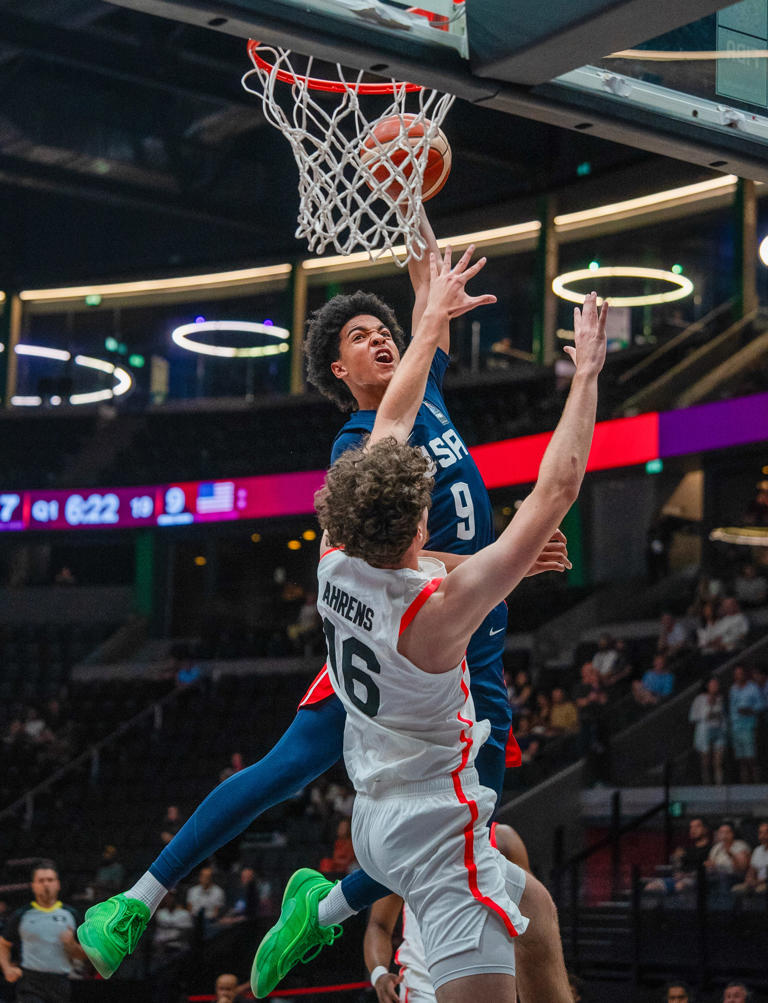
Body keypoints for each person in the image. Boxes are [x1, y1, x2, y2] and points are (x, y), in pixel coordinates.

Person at [77, 223, 570, 978]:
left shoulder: (428, 387)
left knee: (477, 814)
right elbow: (382, 556)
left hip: (478, 633)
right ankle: (137, 899)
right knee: (290, 763)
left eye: (385, 331)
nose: (381, 339)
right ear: (339, 369)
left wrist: (406, 191)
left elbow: (425, 281)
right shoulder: (355, 443)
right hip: (407, 633)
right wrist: (502, 560)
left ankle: (324, 909)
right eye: (361, 337)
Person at [252, 283, 608, 1000]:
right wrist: (588, 375)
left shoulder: (334, 564)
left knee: (536, 910)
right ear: (421, 530)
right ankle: (334, 918)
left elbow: (391, 417)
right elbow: (558, 488)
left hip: (374, 818)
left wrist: (428, 317)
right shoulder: (439, 614)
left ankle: (321, 910)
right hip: (438, 842)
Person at [363, 824, 529, 1003]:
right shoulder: (405, 849)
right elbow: (379, 924)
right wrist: (379, 974)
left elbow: (533, 921)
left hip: (489, 984)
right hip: (422, 990)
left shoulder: (501, 840)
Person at [0, 861, 86, 1003]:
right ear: (33, 885)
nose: (46, 884)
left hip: (61, 982)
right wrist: (7, 968)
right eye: (41, 880)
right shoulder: (22, 914)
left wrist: (72, 946)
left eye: (50, 880)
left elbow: (85, 955)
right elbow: (3, 944)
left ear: (58, 884)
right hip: (30, 982)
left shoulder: (71, 914)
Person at [643, 817, 711, 894]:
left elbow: (708, 869)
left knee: (680, 886)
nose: (693, 830)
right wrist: (676, 858)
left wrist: (686, 875)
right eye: (691, 827)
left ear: (705, 829)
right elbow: (676, 867)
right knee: (651, 887)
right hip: (678, 878)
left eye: (697, 826)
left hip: (695, 880)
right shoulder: (686, 849)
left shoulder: (712, 849)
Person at [728, 665, 764, 784]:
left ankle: (757, 785)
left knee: (751, 758)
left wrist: (750, 710)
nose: (738, 676)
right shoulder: (733, 689)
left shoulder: (753, 687)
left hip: (749, 727)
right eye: (736, 674)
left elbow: (761, 704)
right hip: (736, 728)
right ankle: (745, 786)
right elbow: (732, 709)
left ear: (744, 674)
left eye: (740, 673)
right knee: (741, 760)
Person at [688, 677, 726, 785]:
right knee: (706, 762)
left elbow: (723, 715)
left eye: (716, 684)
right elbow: (693, 717)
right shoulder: (700, 699)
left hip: (718, 730)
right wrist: (707, 713)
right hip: (705, 732)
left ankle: (719, 785)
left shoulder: (720, 698)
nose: (715, 686)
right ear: (707, 686)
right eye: (713, 684)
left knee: (718, 762)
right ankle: (707, 784)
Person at [704, 821, 750, 890]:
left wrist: (731, 855)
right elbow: (709, 863)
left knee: (723, 878)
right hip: (717, 874)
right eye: (721, 832)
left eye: (727, 832)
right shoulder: (716, 847)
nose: (724, 835)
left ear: (733, 833)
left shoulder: (740, 846)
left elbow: (741, 869)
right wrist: (709, 865)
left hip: (734, 876)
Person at [732, 819, 768, 895]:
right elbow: (752, 869)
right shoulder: (758, 850)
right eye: (760, 833)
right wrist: (749, 880)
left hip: (764, 883)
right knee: (736, 889)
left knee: (760, 890)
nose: (763, 836)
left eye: (766, 833)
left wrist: (757, 882)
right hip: (756, 882)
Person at [153, 890, 193, 956]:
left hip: (178, 946)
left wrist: (168, 940)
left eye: (172, 896)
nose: (170, 899)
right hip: (161, 947)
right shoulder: (160, 913)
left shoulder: (185, 914)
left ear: (177, 898)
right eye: (167, 897)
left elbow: (186, 933)